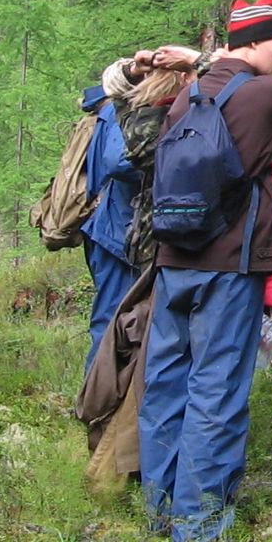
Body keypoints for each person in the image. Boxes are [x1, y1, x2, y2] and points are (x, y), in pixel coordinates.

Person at [139, 0, 272, 542]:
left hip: (173, 260)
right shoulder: (268, 94)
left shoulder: (186, 97)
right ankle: (199, 524)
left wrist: (203, 62)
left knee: (165, 386)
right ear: (252, 43)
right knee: (218, 391)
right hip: (230, 265)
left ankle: (159, 513)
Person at [80, 44, 203, 371]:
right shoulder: (136, 111)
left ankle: (121, 393)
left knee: (135, 323)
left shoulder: (134, 108)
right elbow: (117, 162)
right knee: (112, 323)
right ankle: (100, 394)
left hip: (127, 231)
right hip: (116, 233)